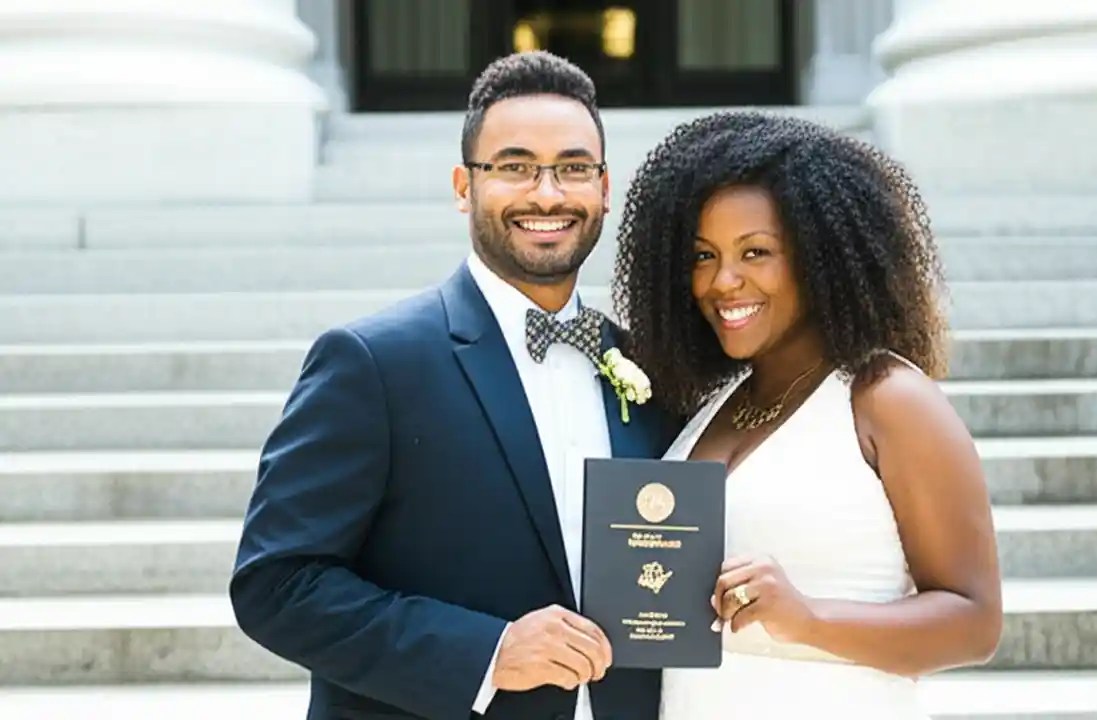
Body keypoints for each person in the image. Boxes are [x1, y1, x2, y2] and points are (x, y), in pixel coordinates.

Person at [230, 51, 676, 720]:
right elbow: (276, 584)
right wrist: (488, 652)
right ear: (464, 187)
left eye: (573, 168)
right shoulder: (371, 363)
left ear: (605, 189)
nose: (548, 194)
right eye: (515, 167)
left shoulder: (650, 365)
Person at [610, 111, 1004, 719]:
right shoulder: (713, 406)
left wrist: (808, 617)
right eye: (703, 256)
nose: (724, 281)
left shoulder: (888, 399)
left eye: (756, 252)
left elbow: (973, 622)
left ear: (821, 257)